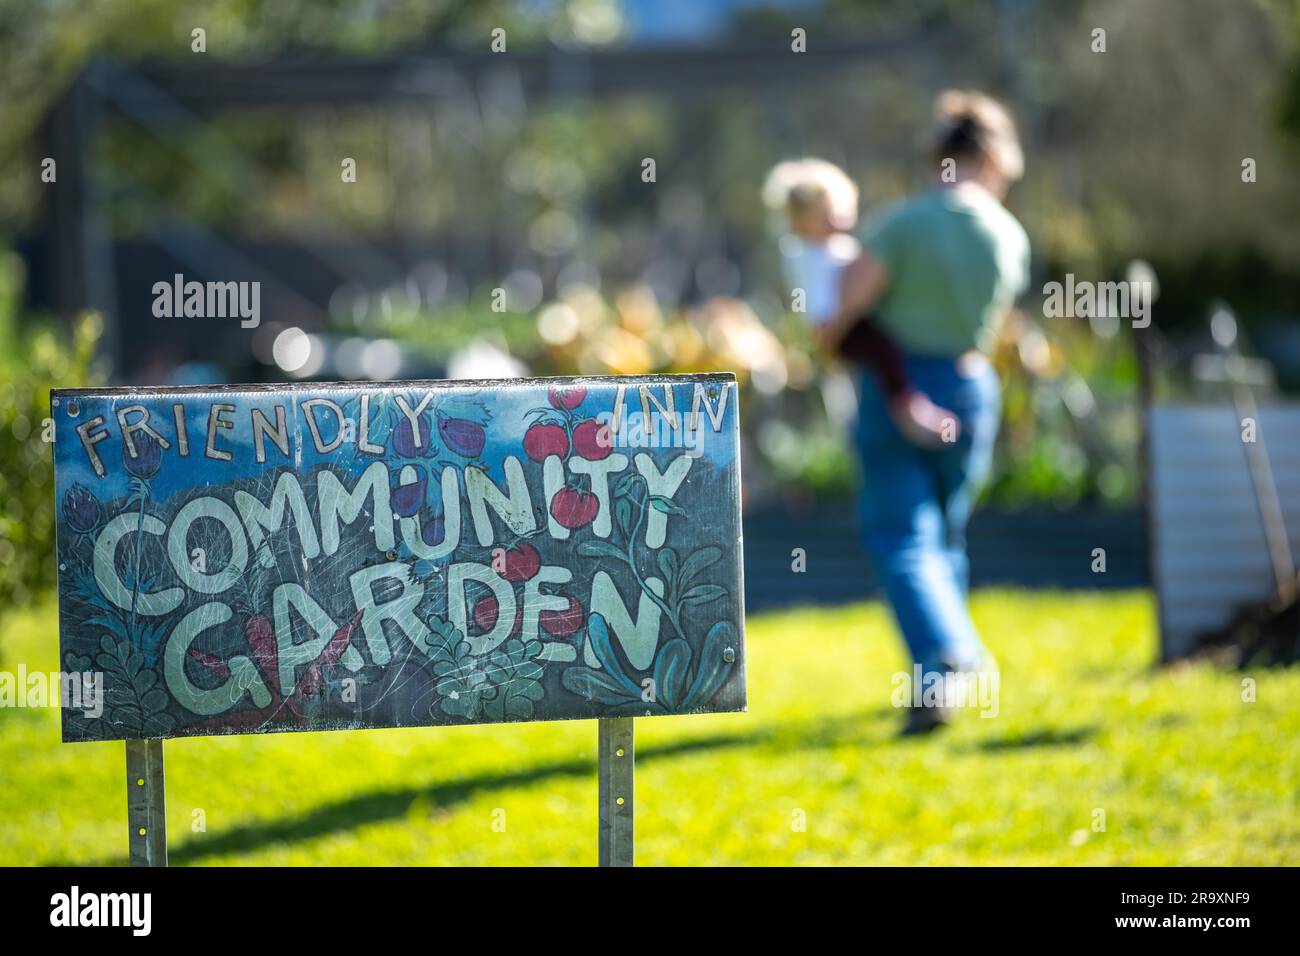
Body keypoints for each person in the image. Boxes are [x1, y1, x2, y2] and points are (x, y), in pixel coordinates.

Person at [816, 90, 1032, 734]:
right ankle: (943, 681)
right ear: (995, 158)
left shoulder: (904, 225)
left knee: (901, 535)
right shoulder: (1007, 232)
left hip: (901, 385)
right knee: (945, 533)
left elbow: (837, 320)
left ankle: (947, 660)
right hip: (971, 383)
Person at [763, 158, 957, 446]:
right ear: (804, 220)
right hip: (838, 329)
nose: (839, 222)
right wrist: (829, 328)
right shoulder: (803, 253)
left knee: (884, 355)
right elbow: (816, 300)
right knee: (885, 352)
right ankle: (908, 408)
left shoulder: (829, 246)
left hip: (846, 326)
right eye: (827, 216)